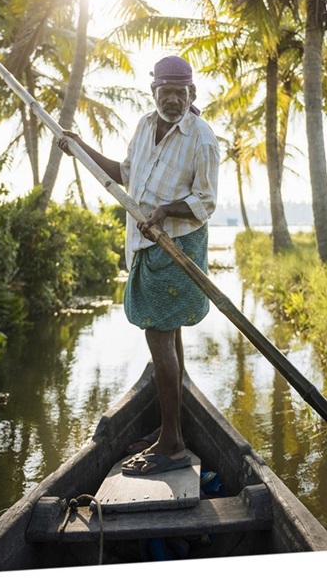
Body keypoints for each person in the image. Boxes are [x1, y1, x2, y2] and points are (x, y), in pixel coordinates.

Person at [58, 55, 220, 475]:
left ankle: (171, 445)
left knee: (159, 337)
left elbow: (205, 202)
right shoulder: (145, 127)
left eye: (178, 94)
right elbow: (126, 174)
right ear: (154, 93)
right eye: (164, 93)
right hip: (145, 244)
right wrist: (80, 148)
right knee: (169, 336)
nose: (171, 100)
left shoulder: (202, 138)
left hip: (176, 246)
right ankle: (173, 427)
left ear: (192, 94)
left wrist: (165, 212)